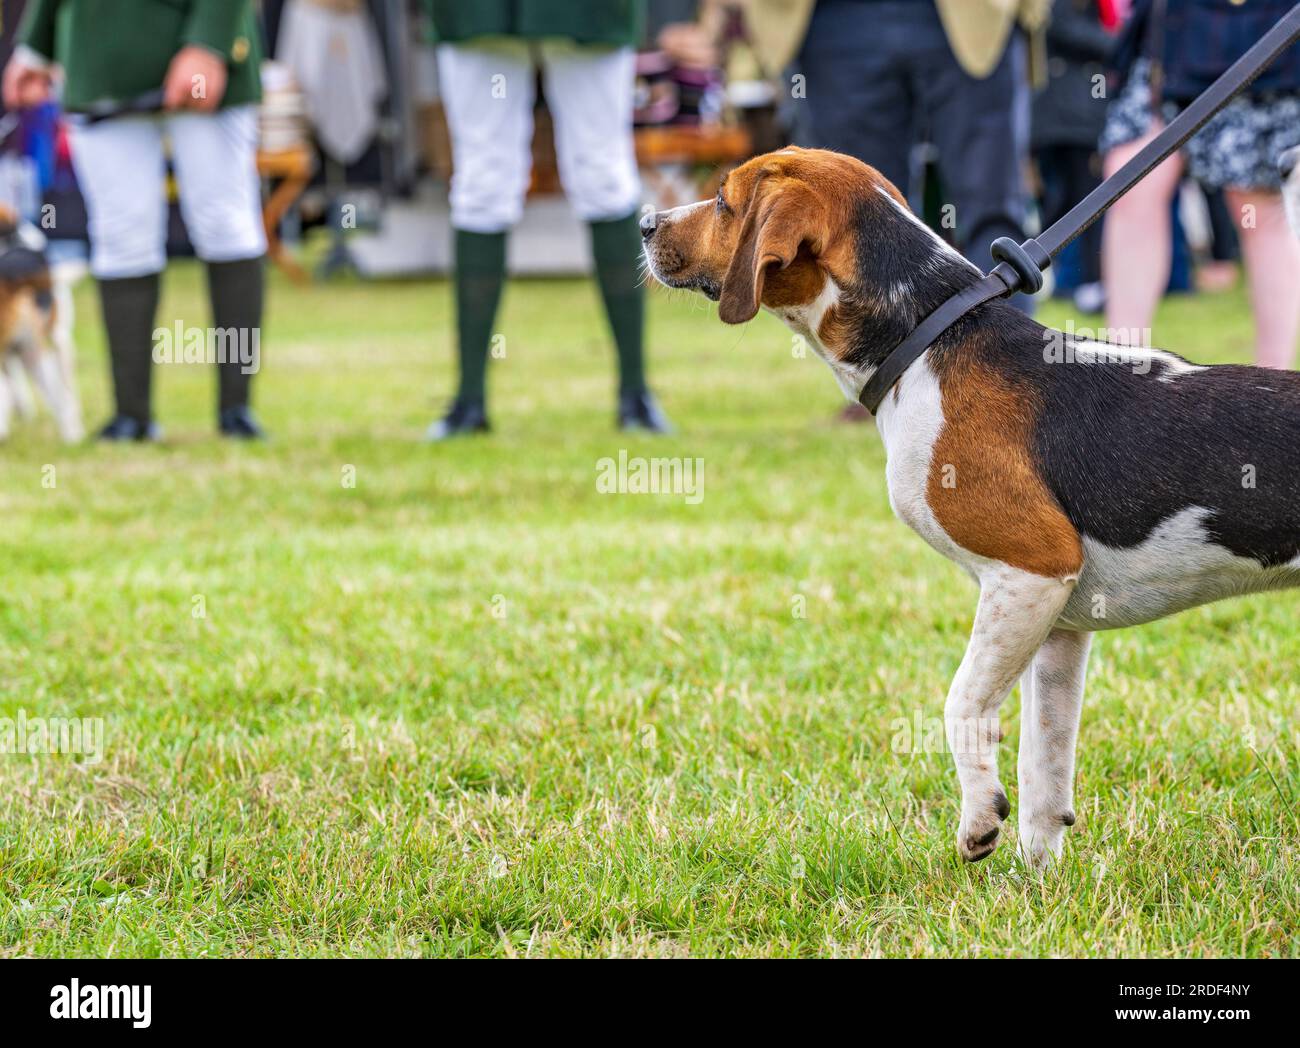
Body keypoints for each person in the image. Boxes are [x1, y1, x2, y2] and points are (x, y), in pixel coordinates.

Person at [2, 0, 268, 440]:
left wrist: (207, 43)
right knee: (120, 233)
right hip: (99, 53)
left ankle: (236, 410)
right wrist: (37, 46)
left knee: (225, 224)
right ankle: (131, 416)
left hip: (206, 52)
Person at [425, 0, 671, 440]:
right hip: (479, 12)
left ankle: (635, 392)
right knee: (481, 182)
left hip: (583, 12)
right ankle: (468, 399)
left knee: (604, 175)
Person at [1100, 0, 1300, 369]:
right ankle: (1120, 369)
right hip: (1172, 31)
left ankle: (1274, 390)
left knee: (1256, 204)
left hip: (1263, 30)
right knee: (1131, 181)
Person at [1032, 0, 1116, 313]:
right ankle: (1071, 279)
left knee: (1078, 199)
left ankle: (1084, 281)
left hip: (1076, 121)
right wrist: (1122, 42)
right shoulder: (1058, 8)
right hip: (1068, 122)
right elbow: (1072, 33)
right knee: (1073, 202)